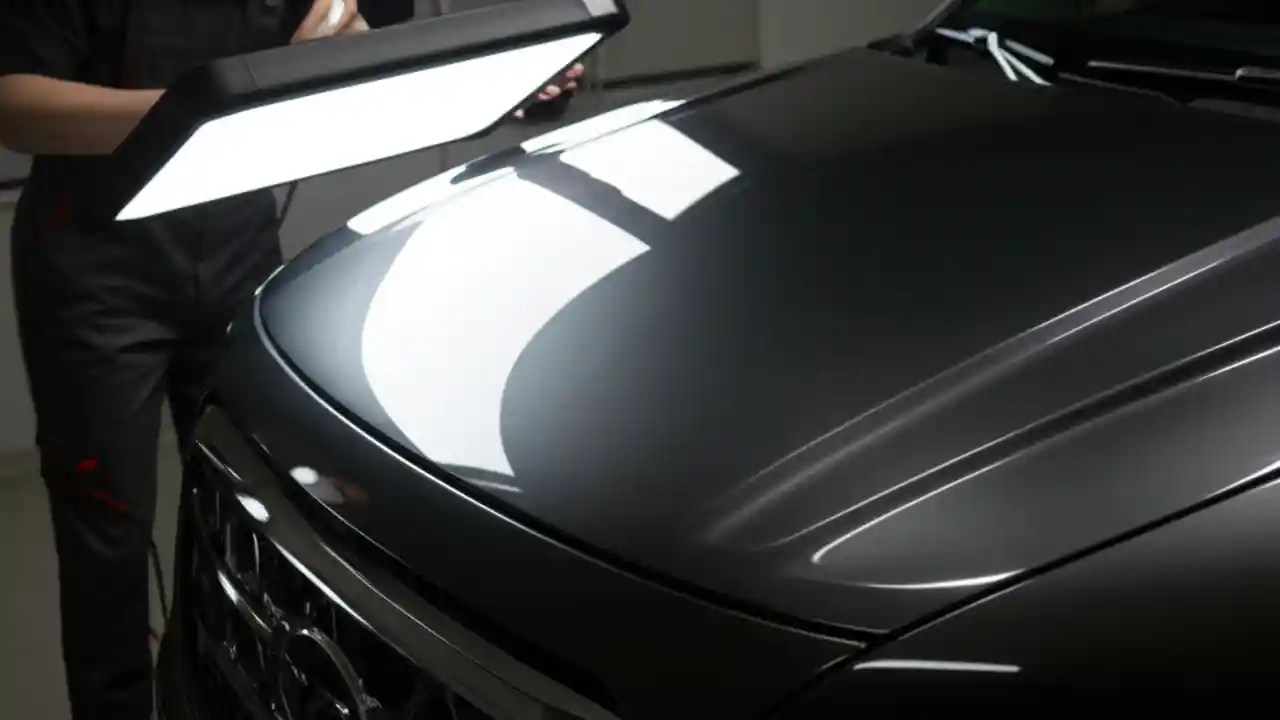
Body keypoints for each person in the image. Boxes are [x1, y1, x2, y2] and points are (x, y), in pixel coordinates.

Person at [0, 2, 582, 718]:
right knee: (107, 550)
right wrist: (198, 112)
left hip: (232, 247)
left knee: (256, 519)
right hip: (97, 271)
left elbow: (351, 58)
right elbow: (15, 106)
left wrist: (496, 86)